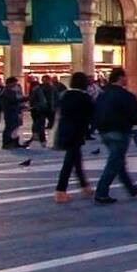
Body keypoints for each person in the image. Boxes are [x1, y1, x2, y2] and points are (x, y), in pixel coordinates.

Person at [91, 69, 137, 204]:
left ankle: (131, 188)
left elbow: (95, 111)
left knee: (118, 160)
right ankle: (101, 192)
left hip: (104, 131)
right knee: (114, 162)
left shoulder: (102, 94)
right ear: (120, 78)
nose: (126, 79)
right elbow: (135, 113)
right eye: (125, 77)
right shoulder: (125, 95)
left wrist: (95, 127)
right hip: (119, 130)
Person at [52, 73, 95, 203]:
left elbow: (57, 110)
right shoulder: (84, 97)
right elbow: (92, 114)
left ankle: (85, 186)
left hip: (64, 130)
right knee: (70, 162)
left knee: (76, 160)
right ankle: (60, 190)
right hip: (77, 132)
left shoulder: (65, 95)